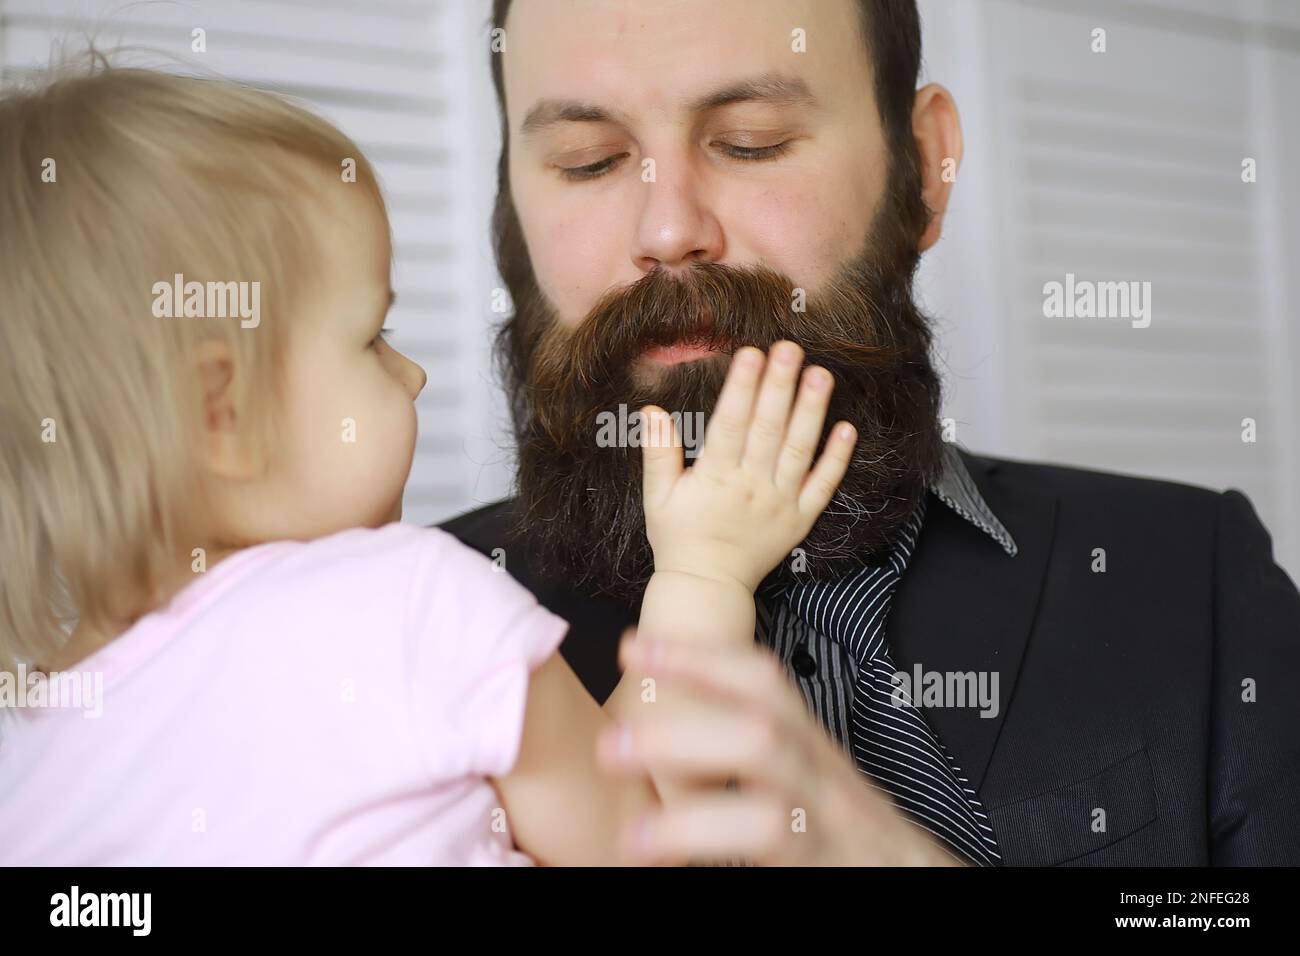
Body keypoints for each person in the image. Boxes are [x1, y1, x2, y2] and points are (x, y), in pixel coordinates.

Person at [442, 0, 1300, 865]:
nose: (667, 231)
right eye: (588, 163)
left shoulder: (1193, 576)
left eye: (752, 141)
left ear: (924, 166)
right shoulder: (407, 630)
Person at [0, 64, 860, 865]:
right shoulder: (408, 600)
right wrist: (704, 574)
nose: (411, 374)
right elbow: (644, 844)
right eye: (371, 337)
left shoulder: (30, 752)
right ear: (220, 412)